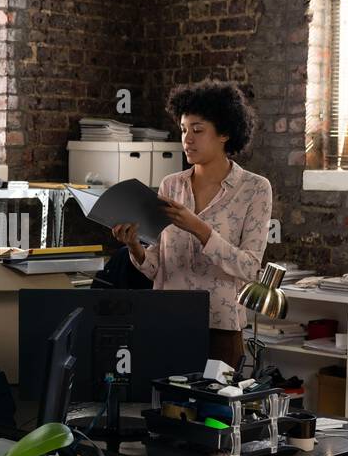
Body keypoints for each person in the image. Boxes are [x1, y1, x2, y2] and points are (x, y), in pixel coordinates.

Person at [111, 79, 273, 366]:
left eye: (198, 130)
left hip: (221, 327)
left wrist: (199, 228)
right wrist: (135, 246)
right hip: (165, 319)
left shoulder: (255, 189)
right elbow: (156, 268)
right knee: (162, 408)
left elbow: (250, 268)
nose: (187, 139)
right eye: (184, 130)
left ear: (224, 133)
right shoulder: (171, 185)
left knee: (214, 410)